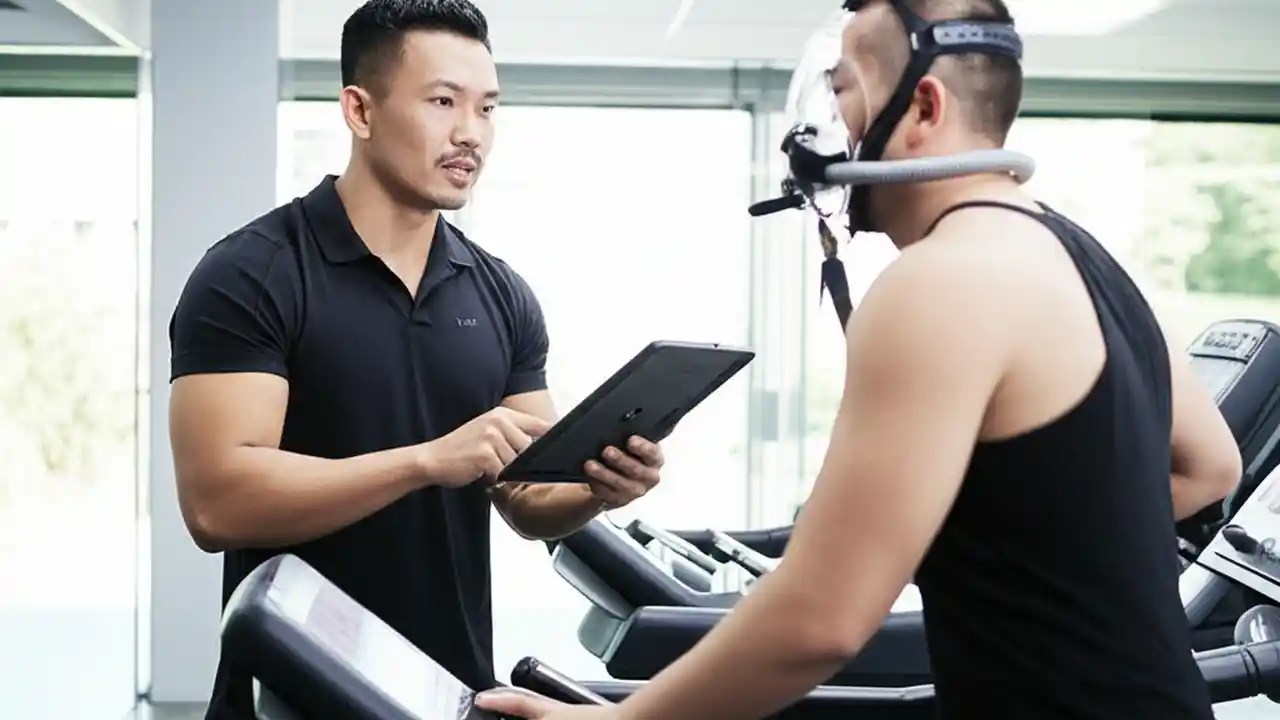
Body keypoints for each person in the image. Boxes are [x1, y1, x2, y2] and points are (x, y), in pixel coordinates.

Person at [476, 1, 1242, 719]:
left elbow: (819, 622)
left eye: (843, 90)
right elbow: (1211, 467)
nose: (825, 124)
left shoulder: (939, 281)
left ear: (926, 108)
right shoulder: (1079, 254)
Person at [167, 1, 666, 718]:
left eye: (487, 108)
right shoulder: (251, 275)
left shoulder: (500, 293)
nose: (471, 133)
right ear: (359, 111)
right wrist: (425, 461)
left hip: (448, 695)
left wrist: (600, 485)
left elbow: (528, 497)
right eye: (442, 102)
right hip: (289, 692)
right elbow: (218, 502)